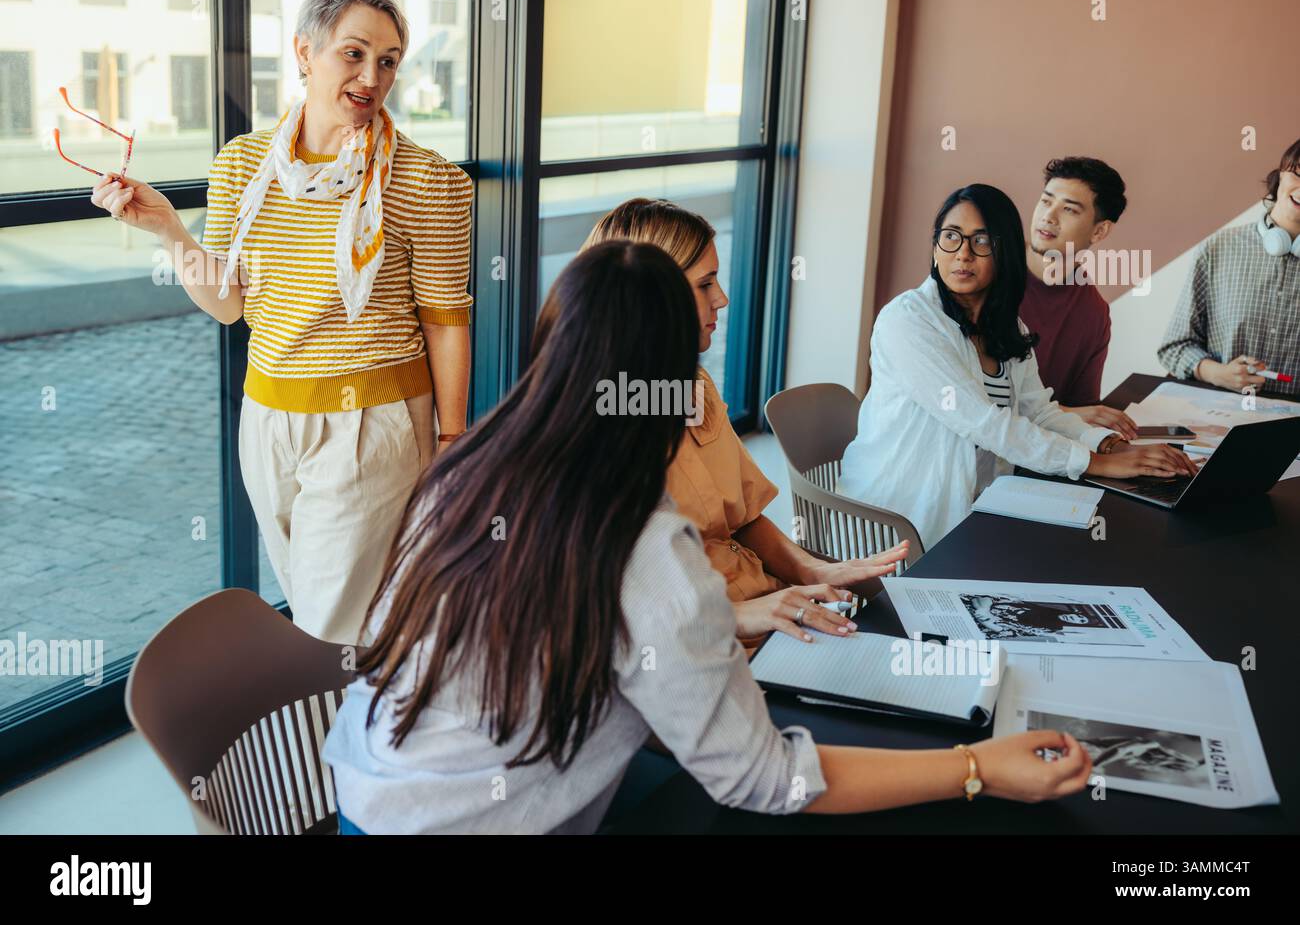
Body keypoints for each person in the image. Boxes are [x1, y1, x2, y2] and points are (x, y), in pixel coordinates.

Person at [322, 240, 1094, 834]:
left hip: (376, 796)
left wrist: (732, 618)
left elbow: (571, 637)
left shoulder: (468, 471)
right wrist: (974, 768)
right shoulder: (641, 540)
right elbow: (763, 779)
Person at [89, 0, 473, 644]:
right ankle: (380, 725)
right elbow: (230, 304)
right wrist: (170, 233)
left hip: (371, 426)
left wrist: (453, 440)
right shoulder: (242, 166)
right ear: (304, 51)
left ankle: (333, 747)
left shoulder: (426, 179)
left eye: (387, 61)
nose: (371, 76)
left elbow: (446, 320)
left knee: (329, 631)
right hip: (267, 422)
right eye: (353, 54)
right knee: (326, 612)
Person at [582, 199, 908, 645]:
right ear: (649, 293)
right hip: (704, 643)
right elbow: (615, 607)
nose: (723, 299)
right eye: (705, 284)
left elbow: (745, 520)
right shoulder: (596, 424)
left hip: (769, 607)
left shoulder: (694, 386)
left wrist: (813, 568)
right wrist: (738, 613)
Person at [837, 184, 1198, 549]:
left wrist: (1107, 445)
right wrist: (1094, 463)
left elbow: (1037, 411)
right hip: (895, 521)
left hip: (974, 509)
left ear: (1005, 252)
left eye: (981, 241)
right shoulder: (907, 320)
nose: (963, 254)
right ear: (934, 248)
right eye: (951, 237)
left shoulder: (1009, 327)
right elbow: (982, 422)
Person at [1158, 137, 1300, 397]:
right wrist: (1217, 374)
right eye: (1298, 174)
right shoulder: (1219, 248)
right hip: (1220, 417)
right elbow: (1174, 347)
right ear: (1280, 176)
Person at [1022, 156, 1137, 438]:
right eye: (1046, 201)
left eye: (1069, 210)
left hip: (1033, 462)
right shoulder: (983, 272)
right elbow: (965, 400)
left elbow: (1084, 415)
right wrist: (1065, 413)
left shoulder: (1093, 314)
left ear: (1099, 231)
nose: (1049, 216)